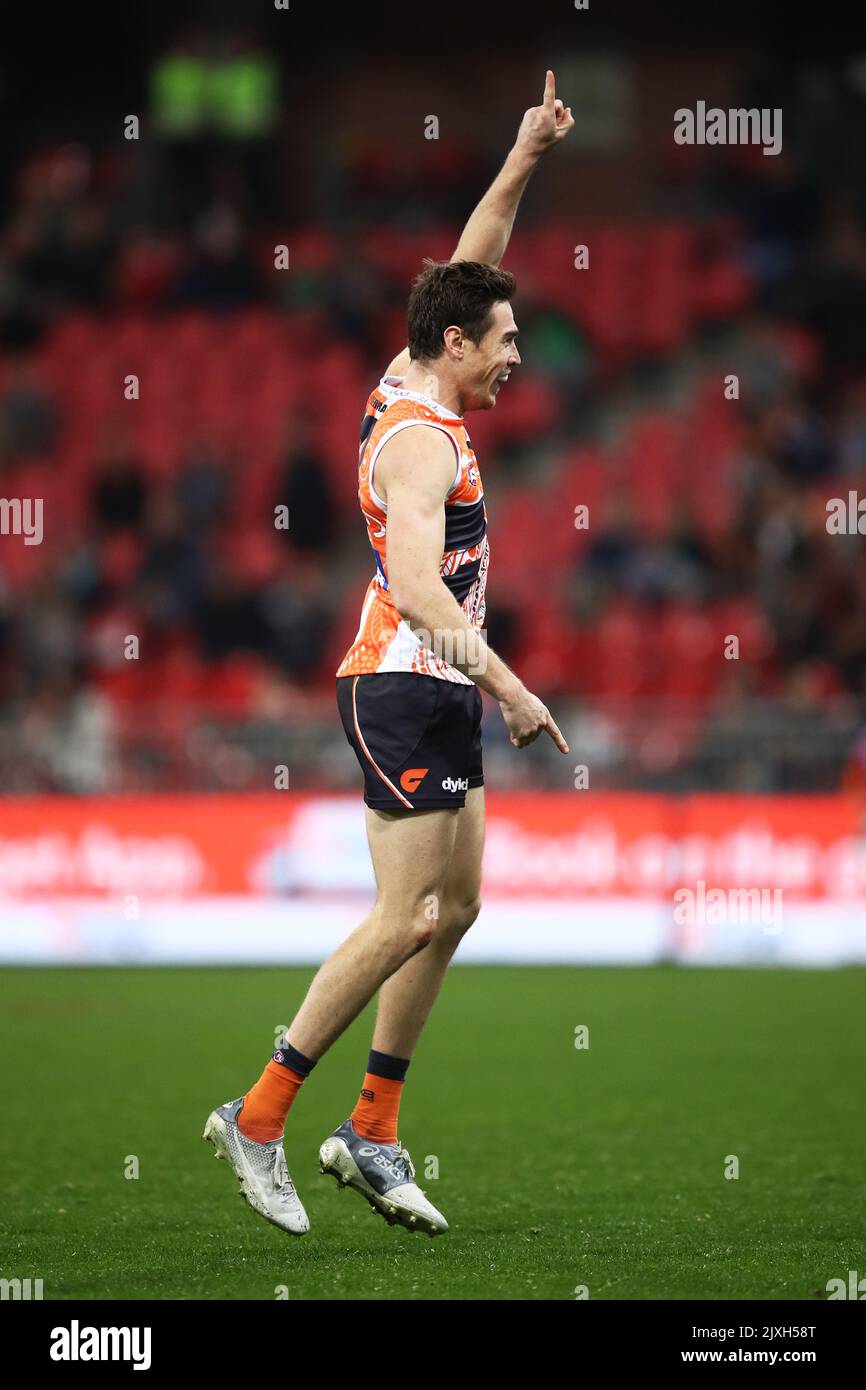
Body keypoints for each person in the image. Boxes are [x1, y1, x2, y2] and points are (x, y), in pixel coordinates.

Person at [204, 71, 574, 1237]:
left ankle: (368, 1130)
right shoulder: (418, 444)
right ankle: (257, 1115)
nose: (516, 356)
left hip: (430, 682)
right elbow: (415, 587)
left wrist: (521, 154)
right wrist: (510, 683)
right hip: (401, 679)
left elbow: (470, 258)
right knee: (403, 912)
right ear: (456, 346)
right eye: (503, 340)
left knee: (452, 908)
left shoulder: (419, 366)